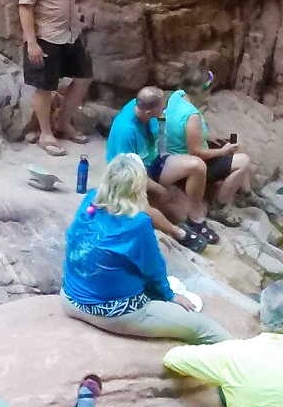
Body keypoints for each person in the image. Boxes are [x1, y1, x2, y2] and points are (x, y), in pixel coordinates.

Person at [61, 154, 230, 344]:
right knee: (201, 327)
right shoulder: (137, 223)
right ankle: (242, 353)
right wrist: (169, 295)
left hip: (70, 297)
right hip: (111, 310)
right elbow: (153, 268)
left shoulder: (91, 199)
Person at [18, 0, 122, 158]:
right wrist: (31, 42)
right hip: (46, 36)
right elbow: (25, 6)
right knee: (44, 87)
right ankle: (46, 134)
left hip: (70, 33)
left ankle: (63, 123)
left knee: (84, 77)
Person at [106, 86, 219, 247]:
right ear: (148, 113)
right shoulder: (126, 131)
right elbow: (129, 171)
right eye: (161, 109)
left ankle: (196, 219)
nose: (165, 111)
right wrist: (157, 188)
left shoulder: (143, 107)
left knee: (198, 166)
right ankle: (177, 233)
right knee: (153, 204)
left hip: (153, 162)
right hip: (129, 173)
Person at [164, 65, 253, 223]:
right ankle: (219, 207)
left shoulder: (176, 96)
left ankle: (247, 195)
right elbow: (196, 153)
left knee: (238, 144)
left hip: (176, 154)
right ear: (201, 91)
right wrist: (223, 151)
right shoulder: (192, 116)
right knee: (243, 161)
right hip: (191, 168)